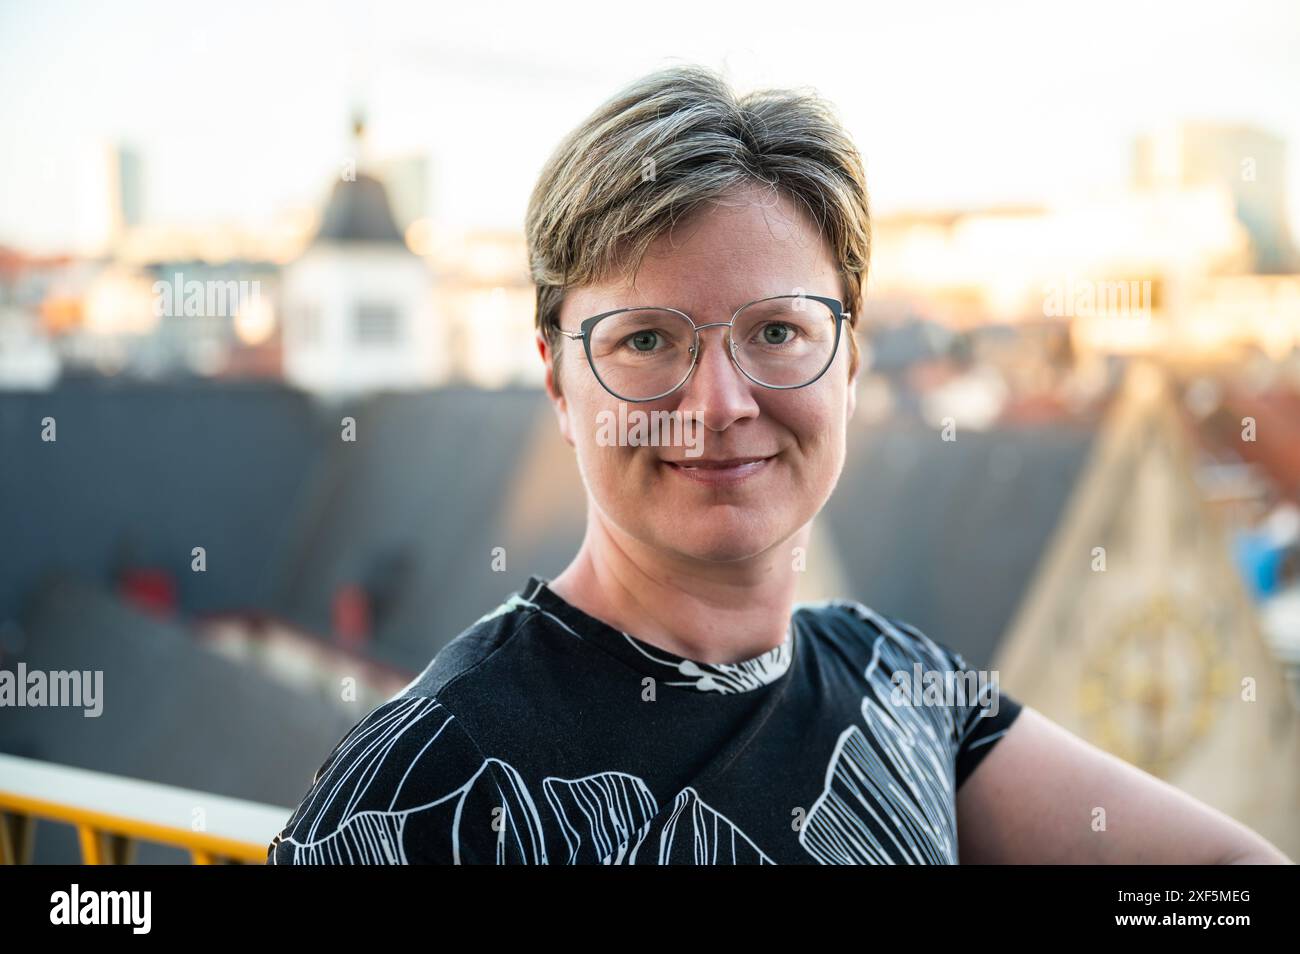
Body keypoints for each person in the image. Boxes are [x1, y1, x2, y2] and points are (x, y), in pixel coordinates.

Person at [267, 64, 1290, 865]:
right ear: (556, 382)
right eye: (646, 342)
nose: (719, 405)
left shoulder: (903, 685)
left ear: (849, 362)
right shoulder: (425, 788)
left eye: (776, 332)